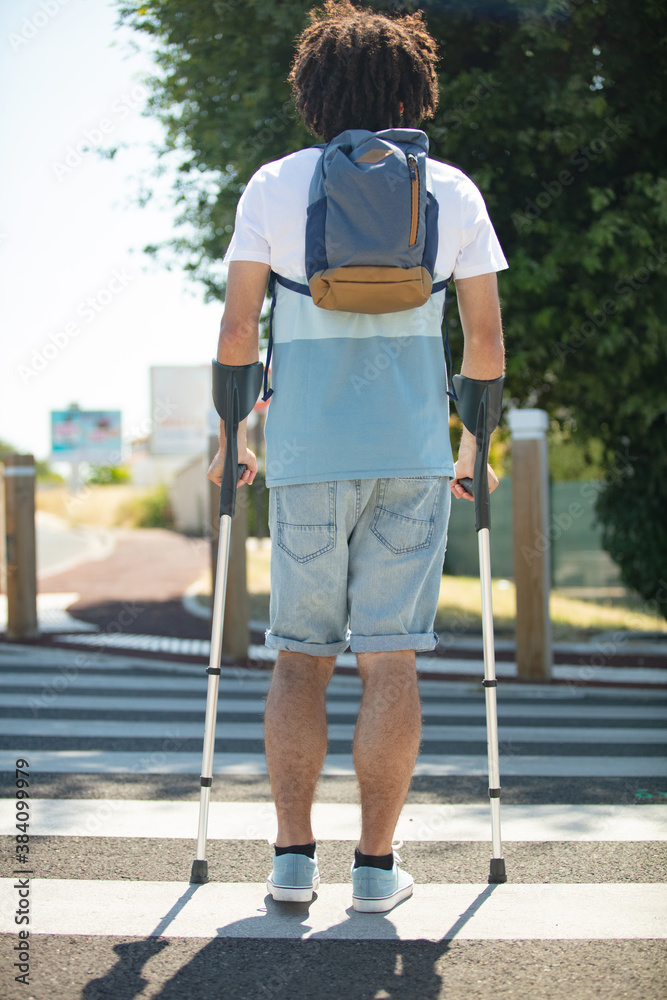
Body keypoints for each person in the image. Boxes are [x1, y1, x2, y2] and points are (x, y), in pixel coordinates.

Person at [208, 0, 506, 913]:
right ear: (414, 88)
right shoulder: (448, 190)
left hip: (304, 455)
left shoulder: (272, 185)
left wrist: (235, 437)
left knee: (299, 657)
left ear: (313, 89)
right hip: (412, 458)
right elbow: (484, 344)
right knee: (391, 659)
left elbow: (235, 328)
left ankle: (291, 861)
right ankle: (375, 870)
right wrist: (470, 446)